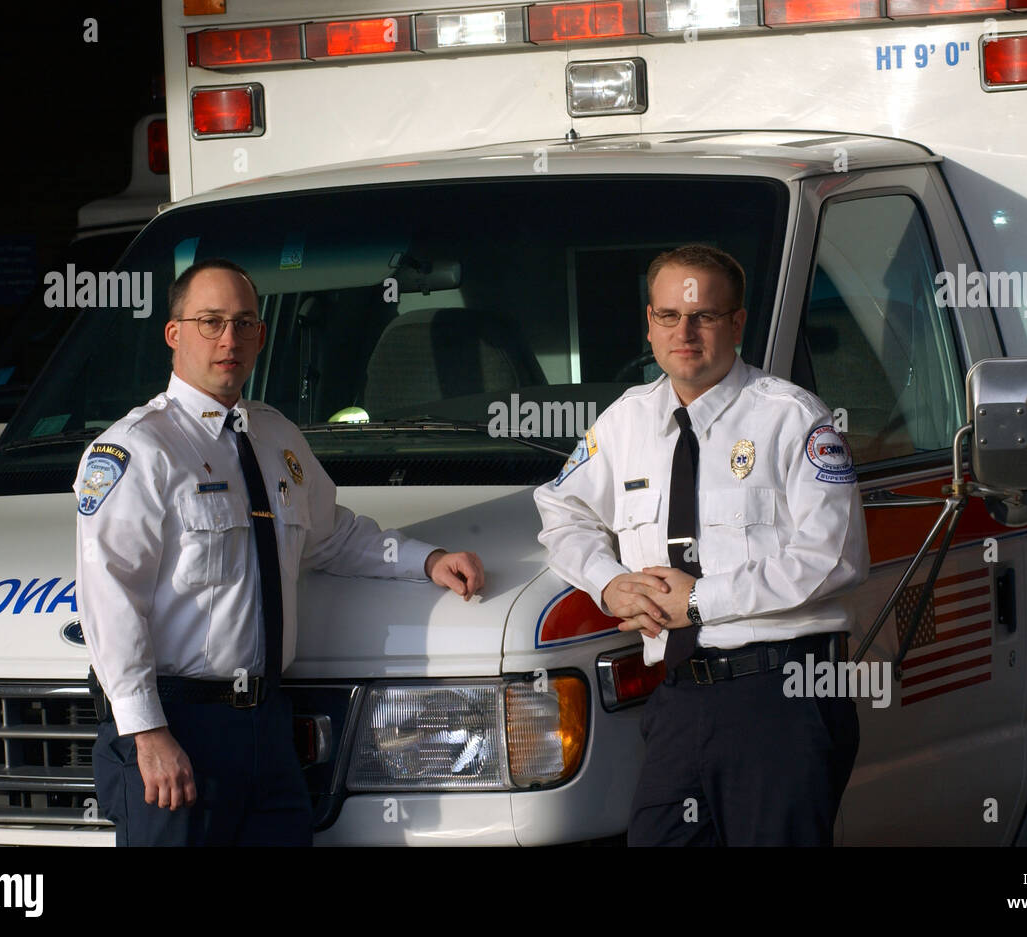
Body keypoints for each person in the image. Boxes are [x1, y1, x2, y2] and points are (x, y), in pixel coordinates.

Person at [75, 258, 485, 846]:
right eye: (210, 322)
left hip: (267, 727)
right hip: (178, 725)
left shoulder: (273, 436)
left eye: (244, 324)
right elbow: (110, 602)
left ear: (262, 336)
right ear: (174, 334)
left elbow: (332, 535)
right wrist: (147, 733)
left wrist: (424, 559)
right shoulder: (137, 452)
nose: (229, 340)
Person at [533, 244, 868, 846]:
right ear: (650, 323)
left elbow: (833, 557)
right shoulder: (625, 422)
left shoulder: (793, 419)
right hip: (679, 698)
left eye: (704, 317)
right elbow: (560, 510)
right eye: (668, 315)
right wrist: (608, 581)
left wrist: (701, 601)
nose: (683, 331)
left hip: (781, 697)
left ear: (737, 324)